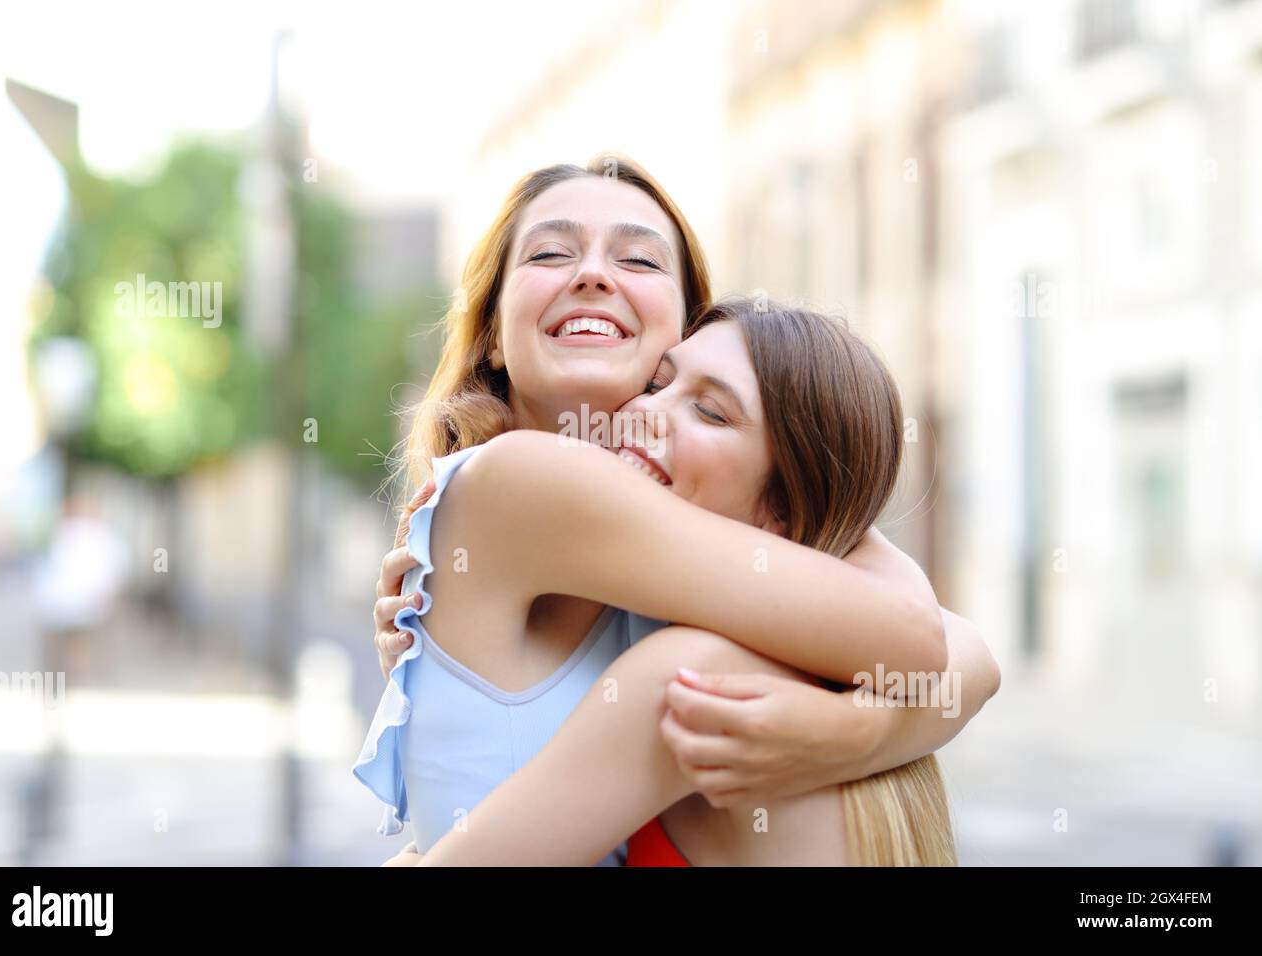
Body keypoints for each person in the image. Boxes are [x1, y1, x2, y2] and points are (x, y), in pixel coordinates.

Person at [361, 156, 999, 864]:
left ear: (682, 328)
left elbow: (949, 644)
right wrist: (857, 730)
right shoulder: (520, 479)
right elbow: (919, 638)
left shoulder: (687, 559)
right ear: (489, 333)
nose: (594, 274)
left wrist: (852, 729)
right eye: (549, 252)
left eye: (638, 258)